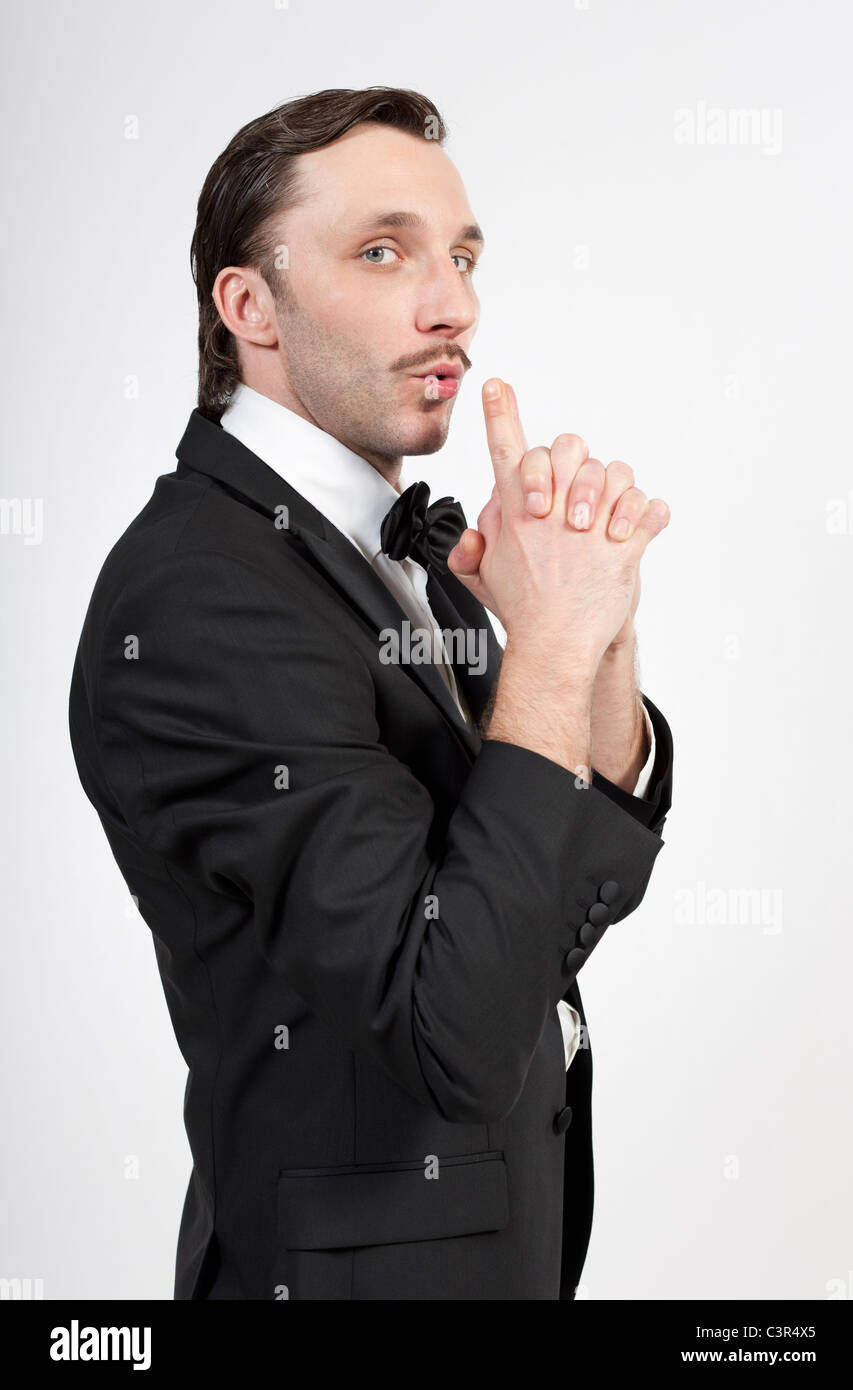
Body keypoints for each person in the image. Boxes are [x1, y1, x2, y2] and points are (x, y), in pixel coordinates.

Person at [68, 86, 673, 1301]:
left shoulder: (400, 554)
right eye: (383, 251)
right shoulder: (199, 594)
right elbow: (448, 1031)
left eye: (461, 256)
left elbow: (544, 914)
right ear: (250, 305)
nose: (454, 304)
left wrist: (598, 642)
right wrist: (546, 648)